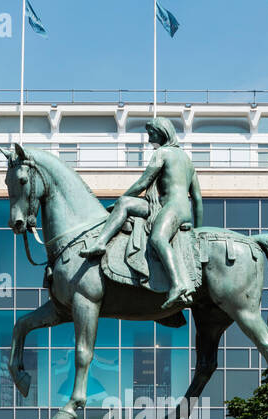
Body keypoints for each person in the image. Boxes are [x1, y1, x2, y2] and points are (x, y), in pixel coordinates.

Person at [80, 115, 203, 308]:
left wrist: (122, 195)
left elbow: (143, 182)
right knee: (125, 204)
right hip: (173, 208)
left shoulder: (162, 153)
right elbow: (197, 199)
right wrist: (198, 227)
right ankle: (101, 243)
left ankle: (178, 284)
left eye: (151, 133)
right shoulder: (188, 161)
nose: (148, 139)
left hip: (172, 208)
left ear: (163, 133)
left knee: (157, 238)